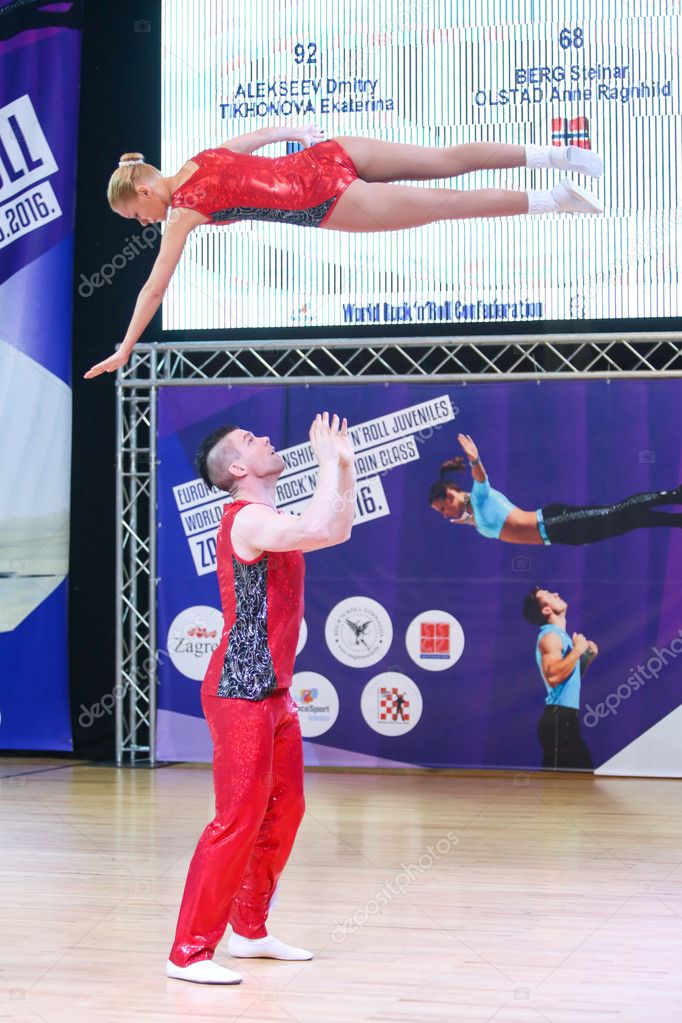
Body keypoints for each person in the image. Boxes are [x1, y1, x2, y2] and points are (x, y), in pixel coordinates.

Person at [85, 125, 604, 377]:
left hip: (327, 200)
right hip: (330, 153)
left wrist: (126, 346)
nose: (144, 223)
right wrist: (295, 132)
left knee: (444, 203)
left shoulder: (183, 211)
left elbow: (155, 288)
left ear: (148, 193)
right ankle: (559, 154)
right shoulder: (197, 162)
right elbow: (258, 138)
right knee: (445, 161)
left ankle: (556, 199)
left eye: (136, 215)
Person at [166, 411, 355, 985]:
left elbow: (335, 529)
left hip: (275, 692)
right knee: (237, 818)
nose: (267, 437)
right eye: (252, 439)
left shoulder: (268, 515)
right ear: (240, 468)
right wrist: (327, 464)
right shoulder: (246, 519)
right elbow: (314, 526)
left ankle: (249, 931)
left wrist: (343, 469)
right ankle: (188, 953)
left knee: (286, 808)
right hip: (239, 691)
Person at [429, 433, 682, 545]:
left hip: (555, 521)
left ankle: (674, 495)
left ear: (451, 493)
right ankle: (676, 521)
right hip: (560, 536)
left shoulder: (478, 497)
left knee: (614, 513)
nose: (444, 514)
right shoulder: (475, 513)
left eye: (442, 508)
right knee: (624, 523)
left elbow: (481, 477)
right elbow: (490, 524)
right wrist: (468, 520)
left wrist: (474, 459)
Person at [523, 587, 596, 769]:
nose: (556, 594)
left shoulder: (562, 637)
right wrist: (578, 650)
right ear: (546, 609)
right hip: (558, 721)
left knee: (577, 783)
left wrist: (586, 659)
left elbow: (568, 679)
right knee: (558, 784)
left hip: (567, 720)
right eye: (549, 595)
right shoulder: (550, 637)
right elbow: (554, 677)